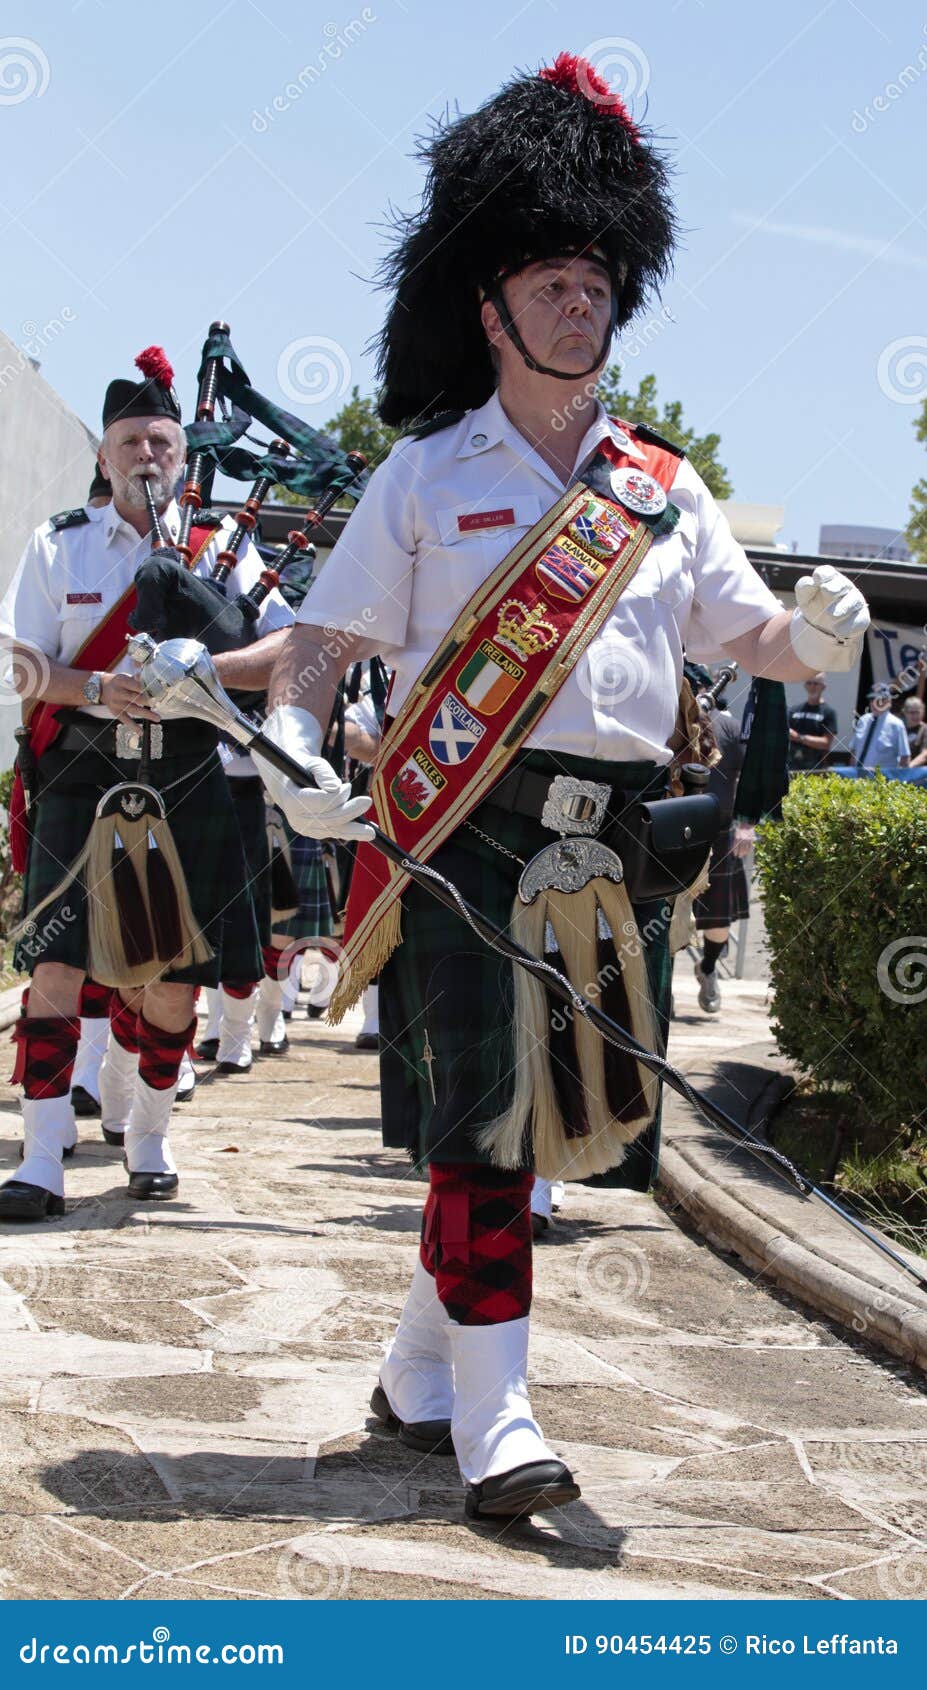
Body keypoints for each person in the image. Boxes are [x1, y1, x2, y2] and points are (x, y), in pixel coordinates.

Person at [254, 54, 870, 1521]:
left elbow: (752, 641)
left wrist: (823, 637)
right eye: (547, 276)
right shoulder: (421, 472)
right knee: (484, 1125)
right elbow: (320, 650)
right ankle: (499, 1421)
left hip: (604, 849)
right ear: (490, 304)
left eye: (597, 278)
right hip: (466, 823)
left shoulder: (660, 490)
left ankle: (418, 1378)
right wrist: (291, 751)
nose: (578, 299)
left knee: (537, 1126)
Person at [0, 347, 292, 1220]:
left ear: (181, 453)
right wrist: (92, 687)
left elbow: (293, 647)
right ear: (104, 456)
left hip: (189, 774)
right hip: (83, 769)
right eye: (130, 441)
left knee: (175, 979)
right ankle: (42, 1154)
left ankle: (148, 1137)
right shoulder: (61, 543)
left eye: (162, 441)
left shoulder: (220, 552)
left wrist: (209, 668)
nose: (147, 457)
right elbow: (17, 660)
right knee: (55, 964)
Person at [690, 672, 752, 1014]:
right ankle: (661, 987)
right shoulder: (671, 719)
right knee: (663, 916)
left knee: (717, 921)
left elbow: (747, 778)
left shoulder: (728, 727)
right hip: (672, 831)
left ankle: (709, 969)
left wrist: (746, 824)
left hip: (720, 832)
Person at [851, 685, 910, 771]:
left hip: (882, 780)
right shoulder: (863, 720)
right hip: (858, 779)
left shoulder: (897, 725)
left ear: (889, 701)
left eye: (881, 699)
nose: (876, 703)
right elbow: (854, 751)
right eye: (872, 699)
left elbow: (904, 758)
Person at [787, 673, 837, 770]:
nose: (812, 686)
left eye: (815, 683)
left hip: (815, 767)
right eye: (809, 683)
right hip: (791, 764)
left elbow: (826, 743)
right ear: (805, 685)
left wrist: (799, 738)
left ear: (823, 687)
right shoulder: (794, 710)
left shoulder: (828, 712)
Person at [903, 695, 927, 766]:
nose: (915, 716)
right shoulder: (900, 728)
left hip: (918, 773)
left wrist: (909, 766)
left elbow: (925, 754)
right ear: (905, 712)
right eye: (912, 712)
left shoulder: (925, 729)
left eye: (918, 712)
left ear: (923, 712)